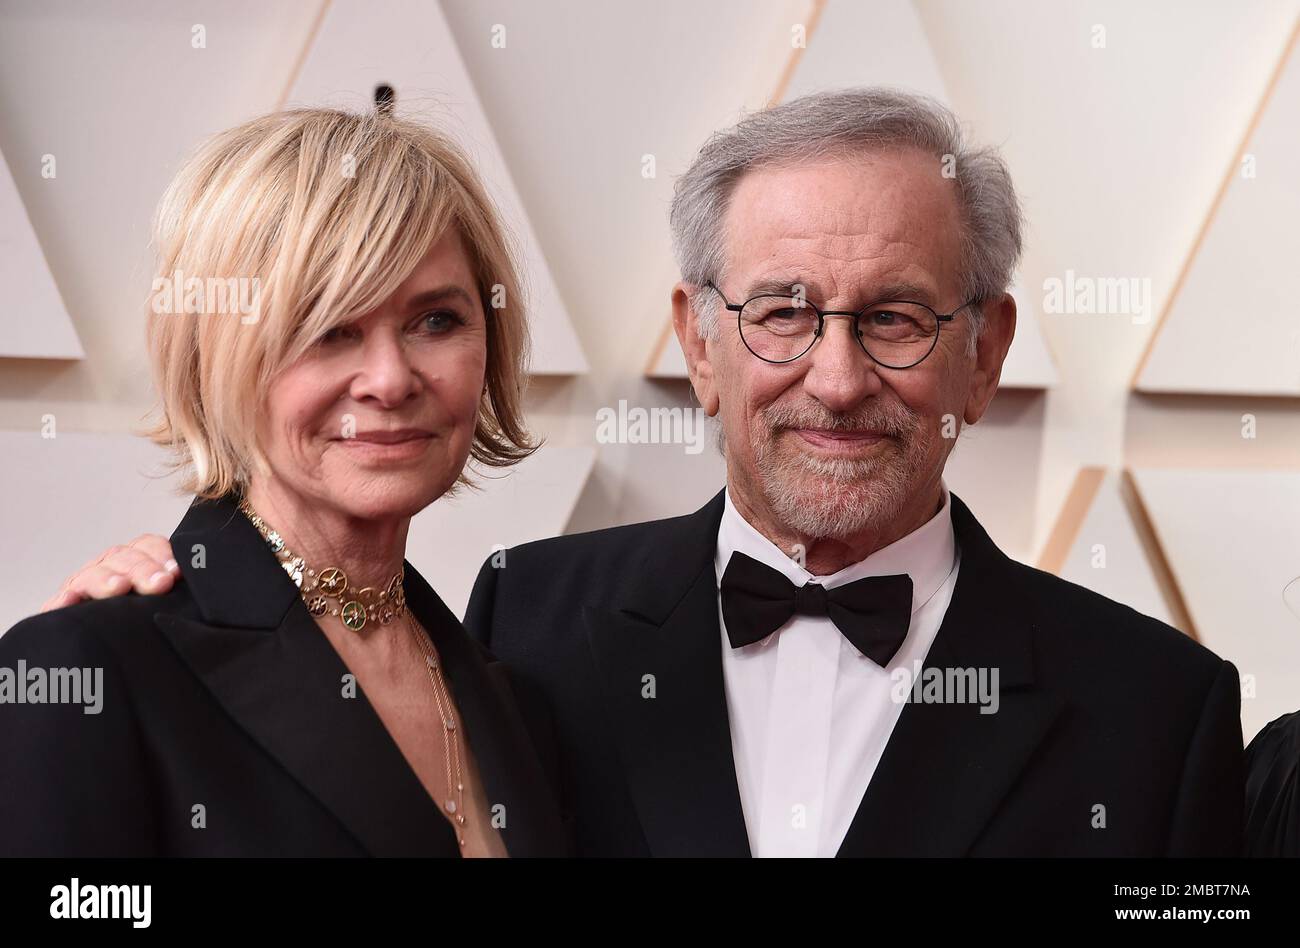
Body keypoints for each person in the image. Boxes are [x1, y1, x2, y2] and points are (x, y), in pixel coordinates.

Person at [40, 88, 1245, 857]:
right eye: (779, 311)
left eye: (892, 319)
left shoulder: (1157, 714)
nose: (832, 380)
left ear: (982, 356)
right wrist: (122, 638)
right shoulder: (537, 624)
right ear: (697, 342)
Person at [0, 107, 567, 857]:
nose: (391, 380)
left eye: (435, 321)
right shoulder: (87, 669)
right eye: (329, 327)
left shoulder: (518, 700)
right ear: (215, 356)